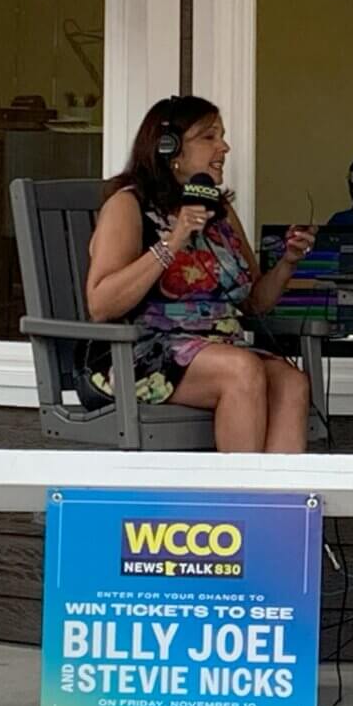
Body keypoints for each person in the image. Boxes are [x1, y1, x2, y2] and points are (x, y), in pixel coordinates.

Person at [84, 95, 316, 453]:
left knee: (291, 381)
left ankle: (276, 507)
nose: (223, 146)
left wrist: (287, 262)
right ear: (169, 148)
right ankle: (238, 504)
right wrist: (172, 243)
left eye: (221, 136)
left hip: (222, 347)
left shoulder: (218, 210)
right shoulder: (128, 205)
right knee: (242, 369)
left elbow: (255, 303)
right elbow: (101, 303)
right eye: (209, 137)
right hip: (143, 353)